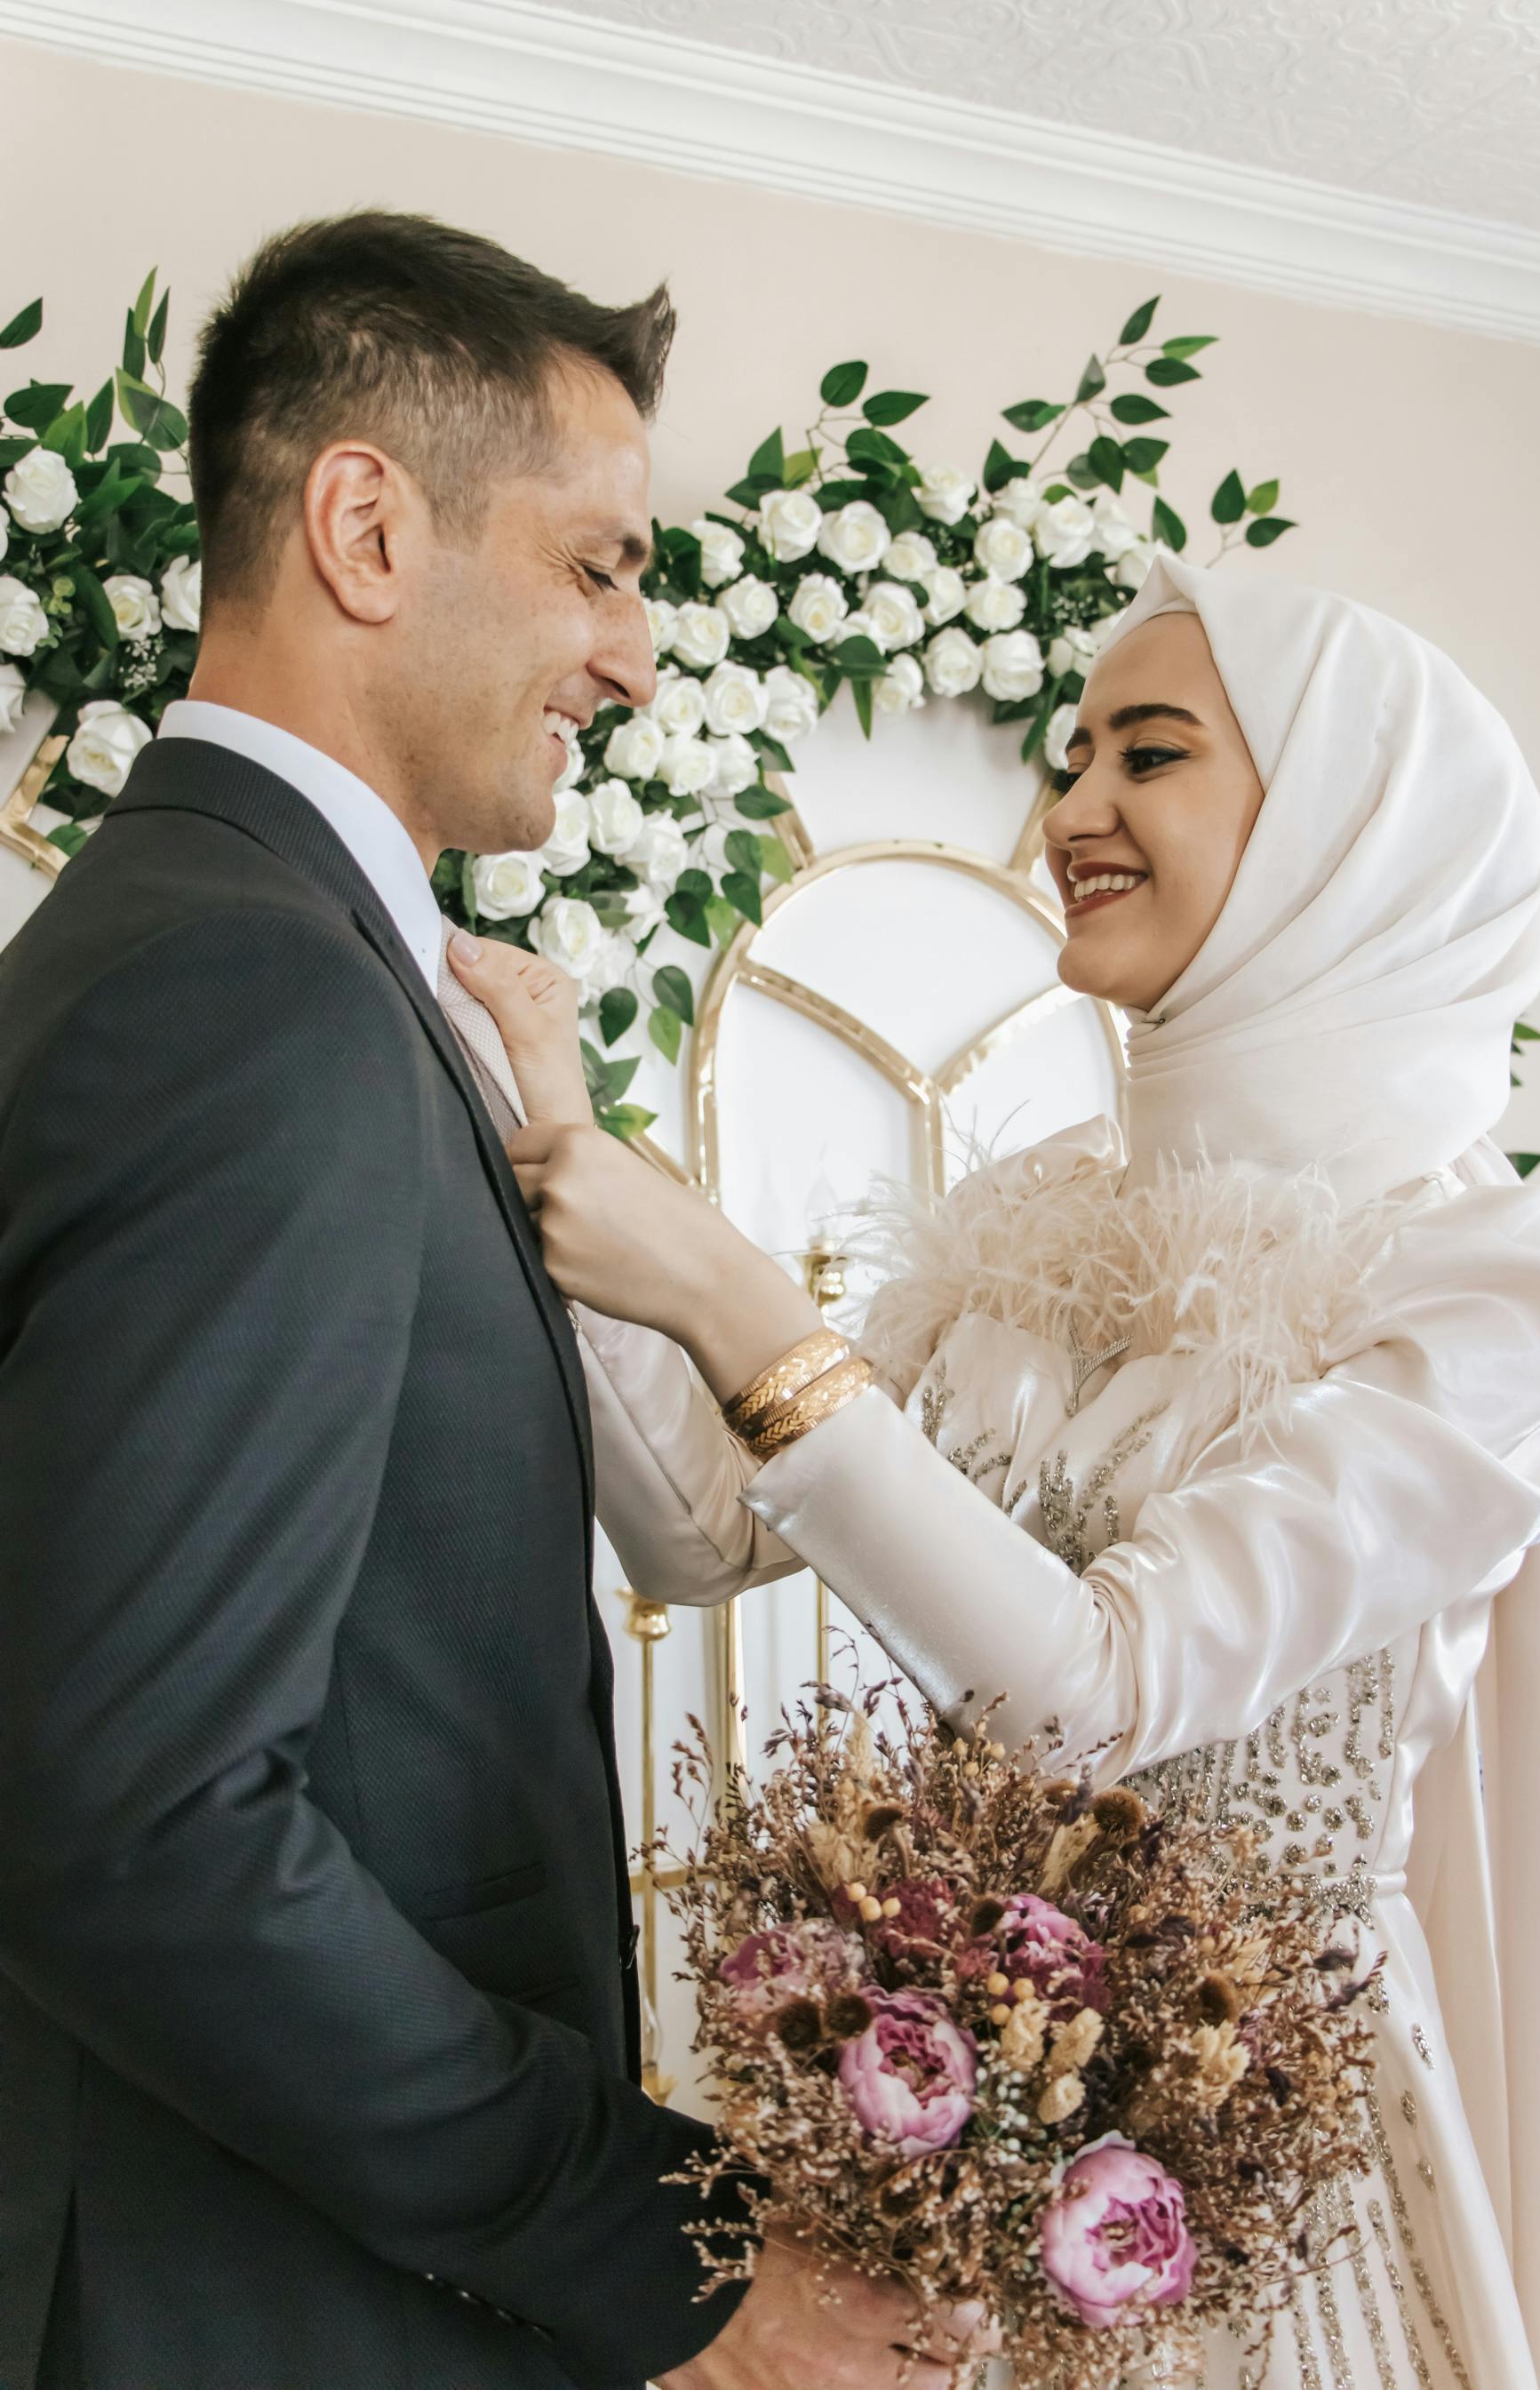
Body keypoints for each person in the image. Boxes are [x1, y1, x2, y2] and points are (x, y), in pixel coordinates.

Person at [459, 556, 1540, 2386]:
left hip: (1257, 2198)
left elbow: (1101, 1694)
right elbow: (691, 1525)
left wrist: (725, 1287)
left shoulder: (1478, 1286)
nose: (1068, 808)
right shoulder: (1034, 1215)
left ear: (1344, 837)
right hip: (938, 2143)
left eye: (1143, 756)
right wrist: (557, 1126)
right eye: (1068, 756)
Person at [0, 211, 974, 2390]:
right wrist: (652, 2247)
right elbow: (140, 1809)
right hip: (253, 2304)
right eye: (599, 564)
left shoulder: (240, 952)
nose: (636, 654)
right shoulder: (253, 992)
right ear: (366, 525)